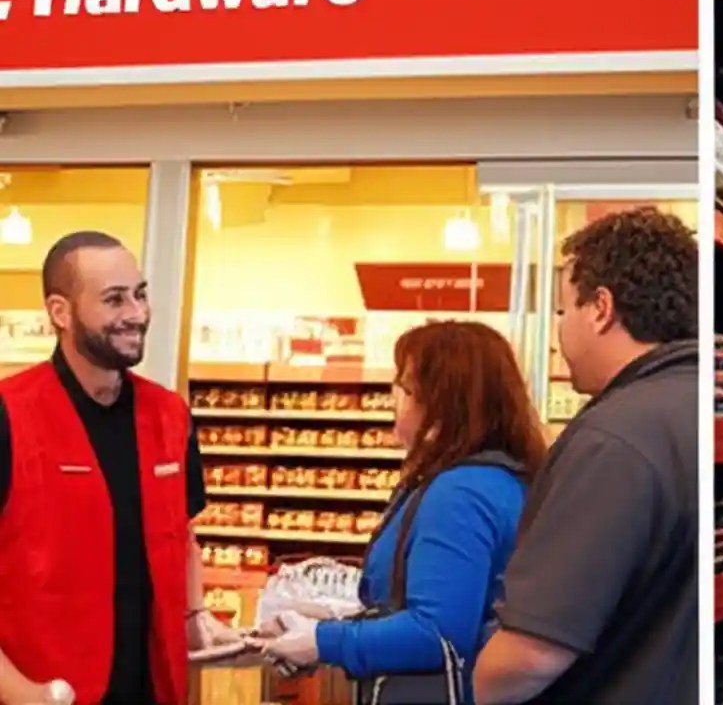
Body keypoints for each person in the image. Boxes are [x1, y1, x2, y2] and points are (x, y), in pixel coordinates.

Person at [0, 231, 237, 705]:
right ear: (60, 312)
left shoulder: (170, 415)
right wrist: (22, 693)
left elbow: (181, 532)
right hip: (46, 691)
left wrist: (195, 616)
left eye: (140, 294)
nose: (136, 313)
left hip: (153, 688)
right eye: (114, 299)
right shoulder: (9, 414)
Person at [474, 207, 698, 704]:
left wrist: (480, 682)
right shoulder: (696, 404)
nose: (559, 332)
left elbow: (531, 654)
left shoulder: (613, 440)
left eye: (562, 311)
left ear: (600, 308)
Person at [255, 322, 546, 703]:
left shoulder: (460, 494)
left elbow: (436, 633)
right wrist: (321, 626)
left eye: (407, 389)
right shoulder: (503, 479)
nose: (395, 399)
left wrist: (322, 641)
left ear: (442, 405)